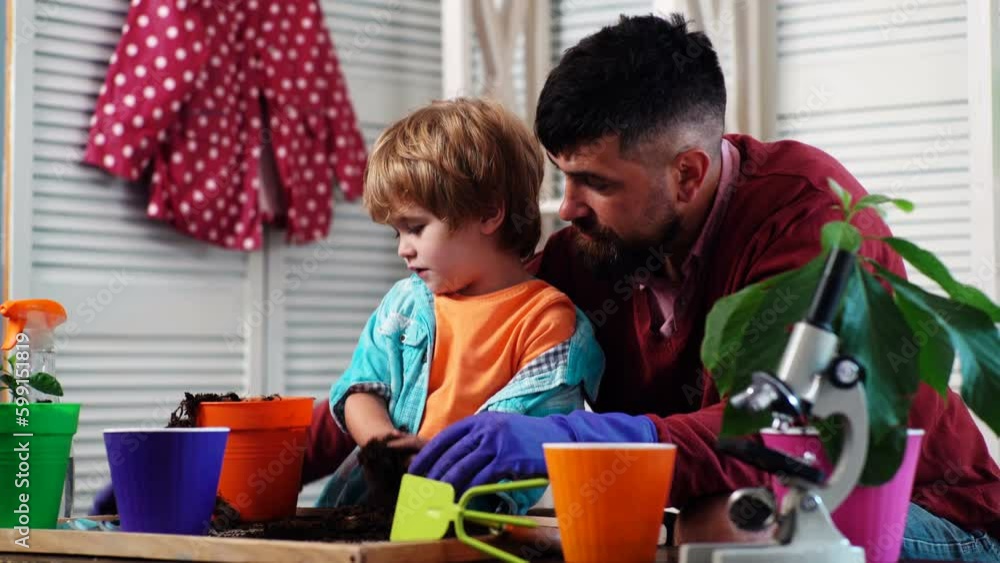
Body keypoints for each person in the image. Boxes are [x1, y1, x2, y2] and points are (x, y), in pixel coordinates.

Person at [403, 14, 1000, 560]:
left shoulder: (812, 220)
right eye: (563, 176)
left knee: (730, 520)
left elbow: (767, 440)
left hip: (936, 517)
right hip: (737, 506)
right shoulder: (594, 247)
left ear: (687, 174)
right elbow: (488, 315)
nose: (567, 207)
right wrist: (374, 407)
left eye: (594, 182)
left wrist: (569, 437)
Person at [315, 97, 603, 511]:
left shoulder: (547, 322)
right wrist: (386, 444)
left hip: (475, 517)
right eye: (396, 233)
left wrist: (432, 468)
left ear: (488, 213)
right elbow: (359, 390)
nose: (403, 249)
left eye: (415, 228)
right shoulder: (405, 306)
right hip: (371, 509)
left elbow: (528, 449)